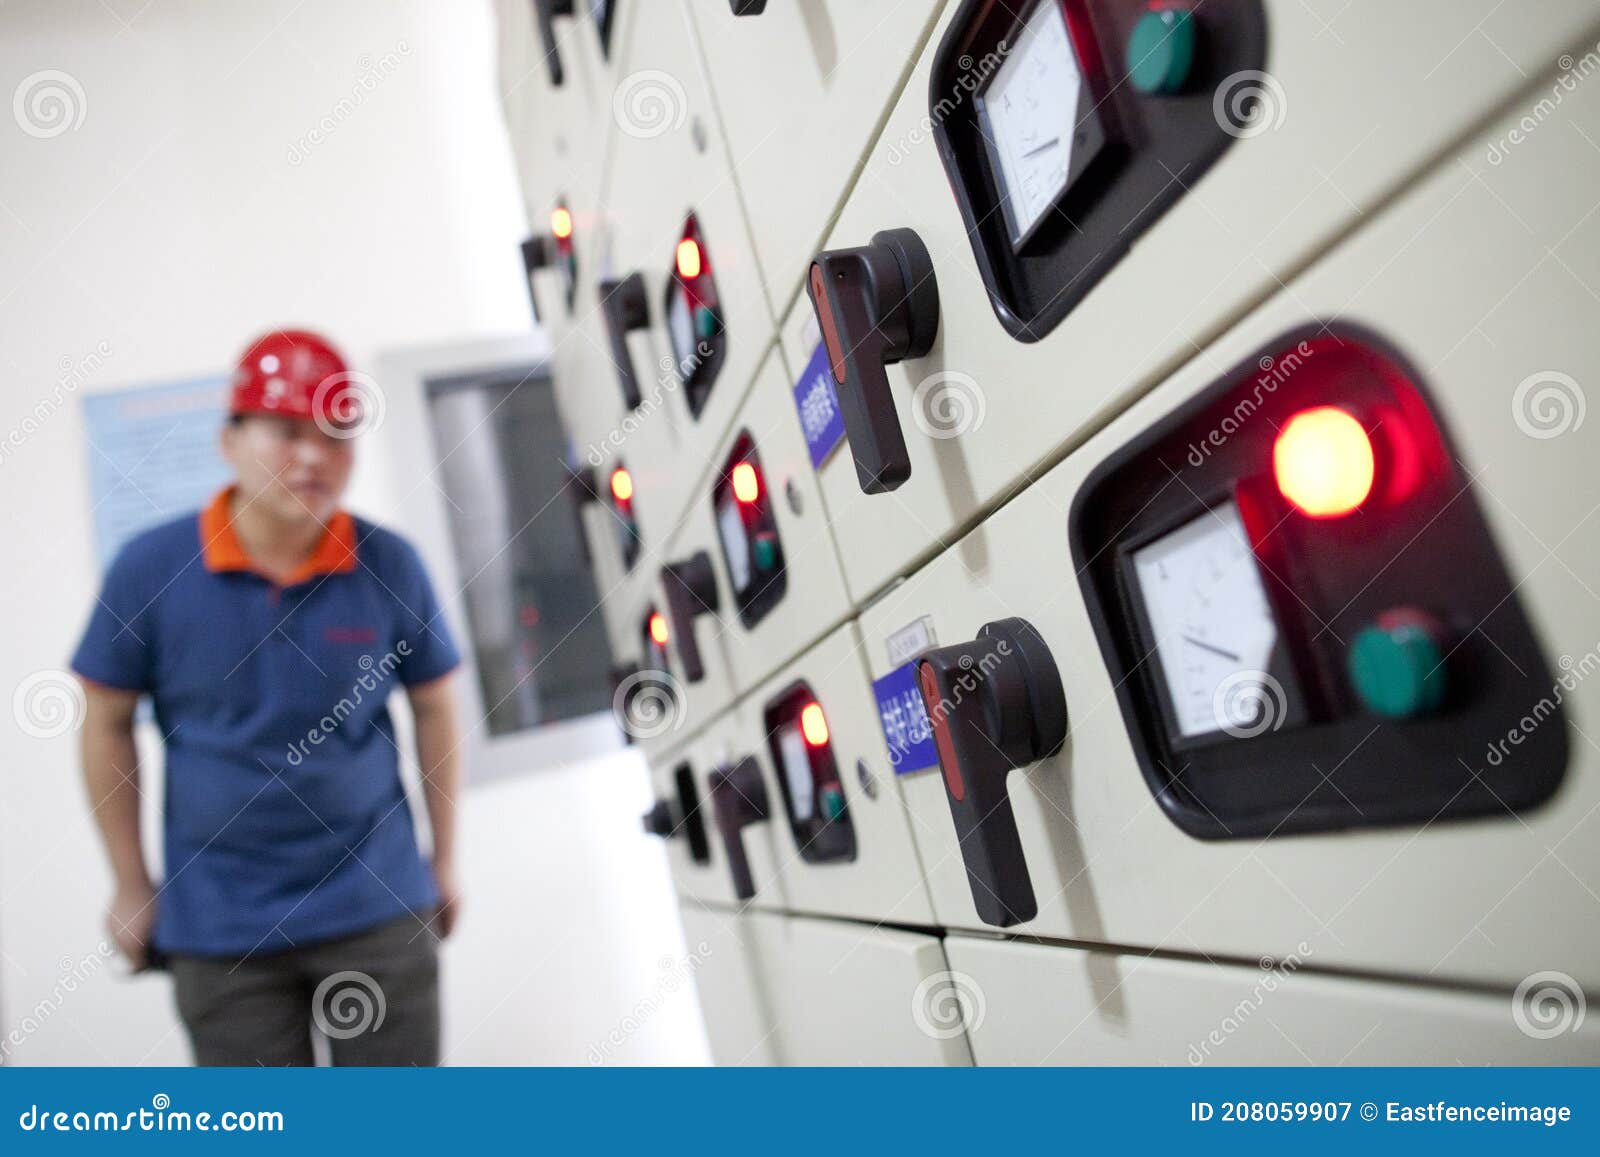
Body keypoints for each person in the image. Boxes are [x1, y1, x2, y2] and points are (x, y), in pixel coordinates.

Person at [71, 329, 464, 1066]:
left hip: (375, 905)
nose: (314, 456)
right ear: (229, 441)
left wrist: (443, 859)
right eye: (287, 431)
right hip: (221, 929)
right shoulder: (148, 569)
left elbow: (437, 705)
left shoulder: (389, 563)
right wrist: (129, 883)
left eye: (336, 434)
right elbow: (106, 723)